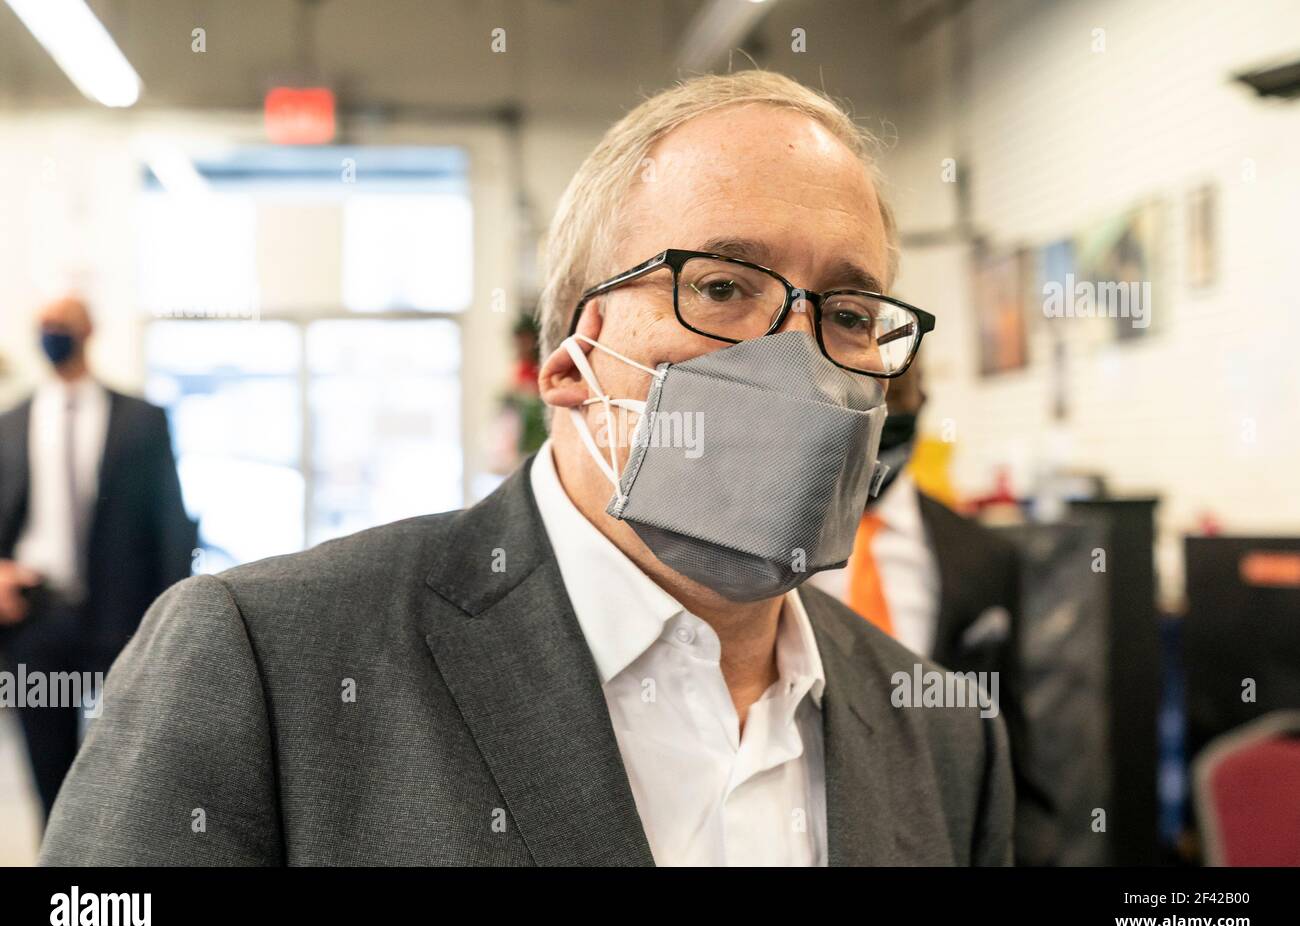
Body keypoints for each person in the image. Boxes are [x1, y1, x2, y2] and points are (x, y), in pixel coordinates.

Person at [42, 71, 1013, 866]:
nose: (798, 353)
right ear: (568, 360)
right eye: (720, 286)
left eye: (848, 312)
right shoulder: (268, 665)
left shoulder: (944, 739)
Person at [811, 362, 1058, 863]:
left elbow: (1009, 722)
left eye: (897, 394)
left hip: (940, 829)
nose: (878, 411)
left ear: (923, 398)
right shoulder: (775, 550)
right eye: (856, 391)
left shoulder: (984, 556)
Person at [0, 296, 196, 821]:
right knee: (50, 780)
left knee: (132, 773)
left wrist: (175, 618)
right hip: (36, 621)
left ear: (89, 331)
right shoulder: (11, 422)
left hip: (122, 621)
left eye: (62, 325)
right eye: (44, 326)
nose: (53, 335)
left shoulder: (141, 420)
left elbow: (170, 523)